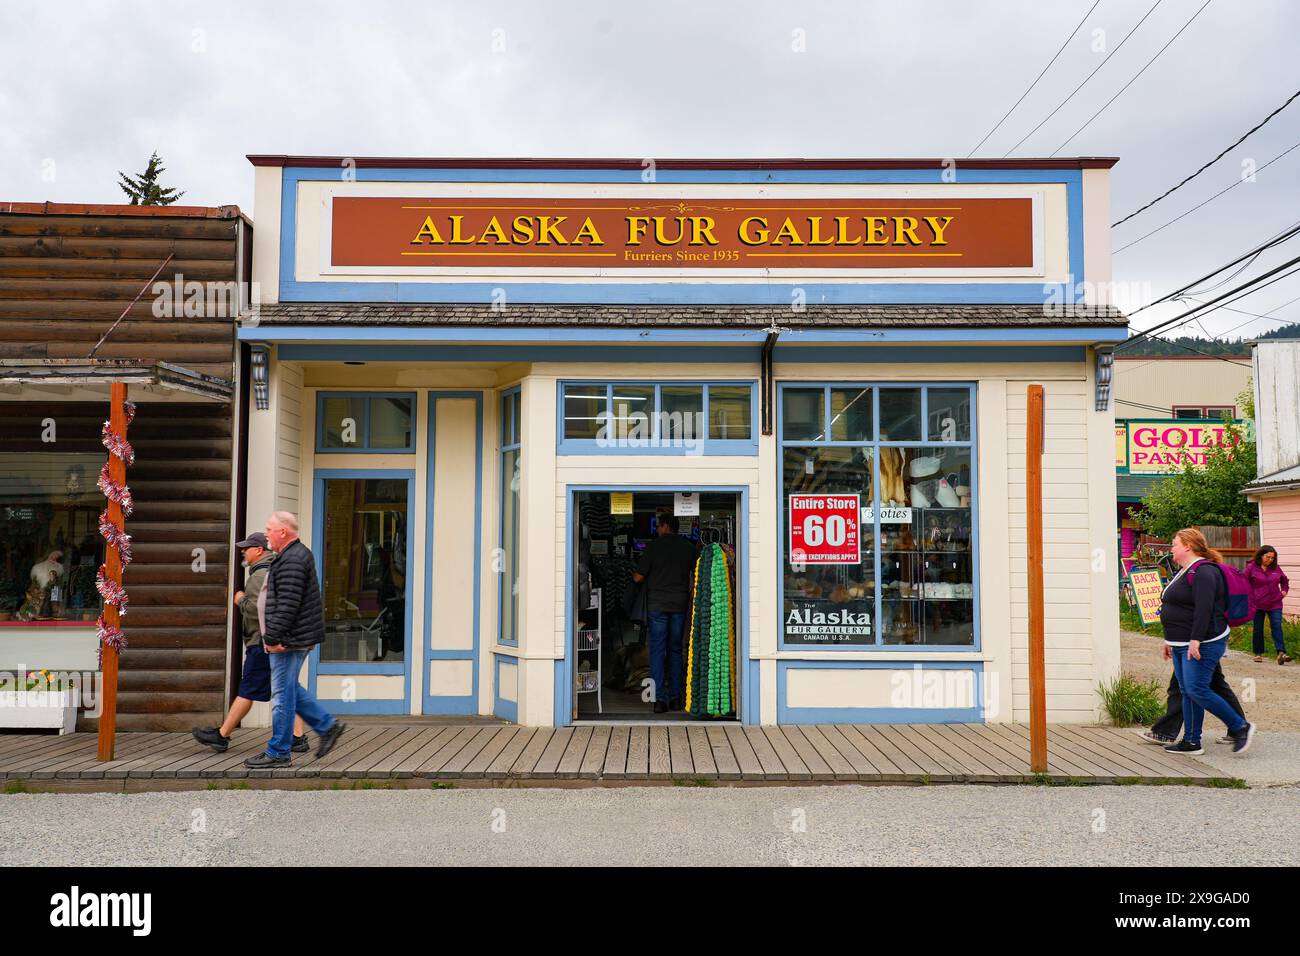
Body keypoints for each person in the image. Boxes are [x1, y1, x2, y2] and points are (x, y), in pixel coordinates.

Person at [244, 512, 346, 768]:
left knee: (282, 696)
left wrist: (274, 637)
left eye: (269, 529)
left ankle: (278, 750)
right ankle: (327, 727)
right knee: (289, 689)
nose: (266, 534)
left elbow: (288, 604)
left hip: (288, 640)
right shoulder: (290, 556)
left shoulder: (292, 559)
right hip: (290, 638)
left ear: (283, 532)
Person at [191, 533, 307, 754]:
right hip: (277, 640)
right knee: (286, 688)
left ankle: (222, 735)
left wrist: (240, 600)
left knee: (248, 689)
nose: (243, 551)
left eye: (247, 548)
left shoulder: (260, 575)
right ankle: (297, 737)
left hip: (261, 642)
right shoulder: (276, 570)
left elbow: (257, 609)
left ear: (260, 550)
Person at [1159, 528, 1255, 756]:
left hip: (1204, 641)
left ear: (1187, 547)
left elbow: (1204, 608)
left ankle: (1240, 726)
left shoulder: (1204, 572)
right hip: (1180, 642)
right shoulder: (1185, 571)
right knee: (1187, 690)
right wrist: (1168, 639)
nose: (1171, 548)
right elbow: (1177, 607)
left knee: (1197, 688)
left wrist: (1196, 640)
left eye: (1174, 544)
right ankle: (1192, 741)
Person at [632, 513, 699, 713]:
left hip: (657, 605)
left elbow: (638, 578)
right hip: (679, 604)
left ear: (666, 526)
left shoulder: (654, 547)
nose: (658, 530)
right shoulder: (688, 548)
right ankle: (676, 698)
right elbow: (696, 576)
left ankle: (660, 700)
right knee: (676, 649)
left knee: (657, 651)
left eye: (659, 526)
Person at [1141, 668, 1245, 747]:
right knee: (1214, 683)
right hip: (1196, 643)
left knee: (1187, 685)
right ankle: (1239, 728)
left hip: (1198, 645)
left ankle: (1167, 732)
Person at [1244, 545, 1291, 664]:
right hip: (1257, 603)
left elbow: (1284, 580)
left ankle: (1281, 653)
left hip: (1275, 603)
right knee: (1258, 628)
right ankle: (1258, 653)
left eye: (1272, 558)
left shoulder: (1276, 568)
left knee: (1276, 626)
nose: (1270, 560)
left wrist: (1284, 591)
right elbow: (1243, 583)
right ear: (1261, 555)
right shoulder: (1251, 568)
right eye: (1268, 557)